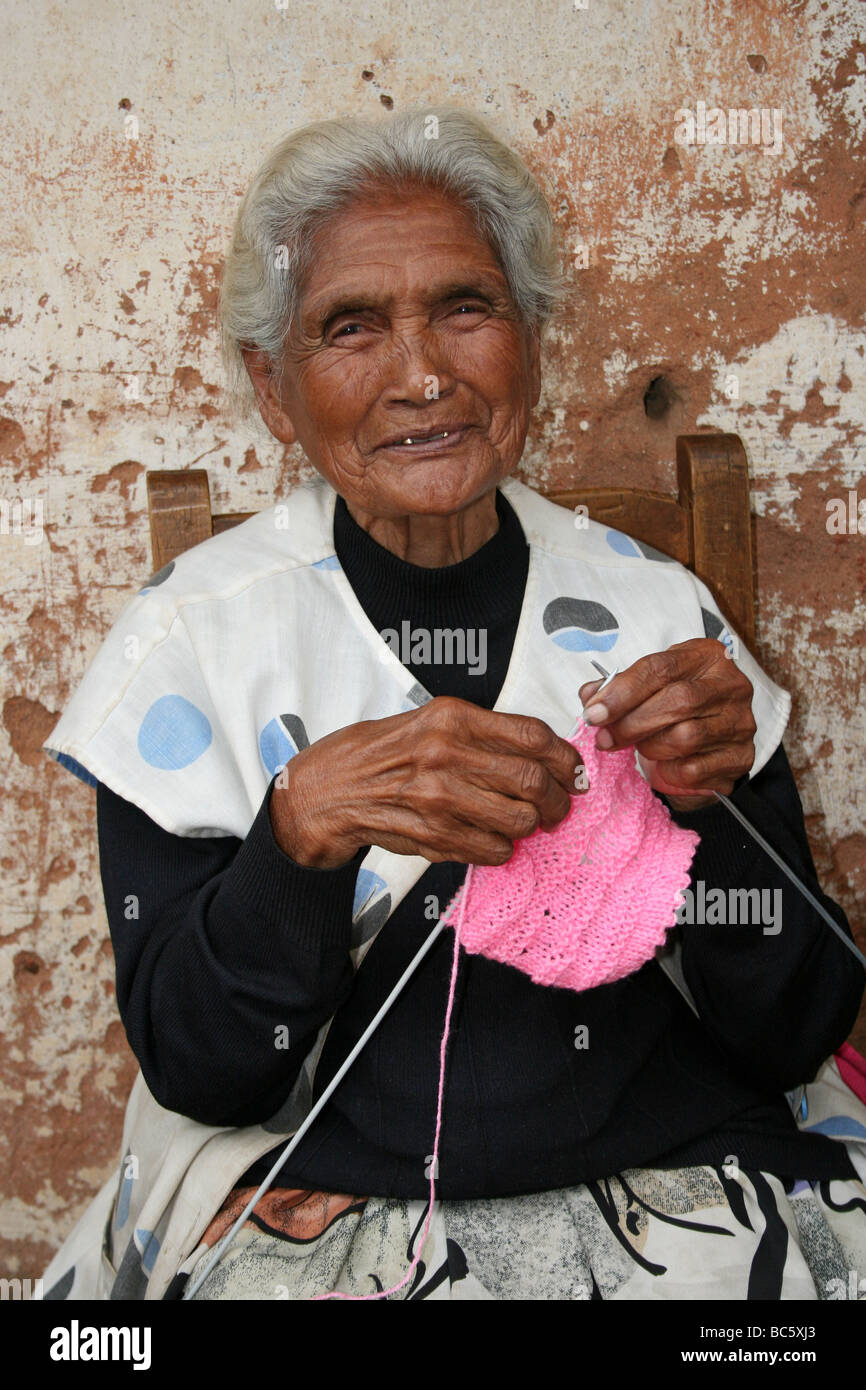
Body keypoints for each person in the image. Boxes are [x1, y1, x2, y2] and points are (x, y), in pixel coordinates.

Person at [42, 106, 866, 1301]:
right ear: (274, 390)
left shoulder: (652, 611)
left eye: (465, 309)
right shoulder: (193, 645)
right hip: (331, 1205)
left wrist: (709, 807)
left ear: (529, 343)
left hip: (672, 1185)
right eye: (351, 327)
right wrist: (300, 832)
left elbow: (789, 1029)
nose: (422, 373)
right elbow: (205, 1070)